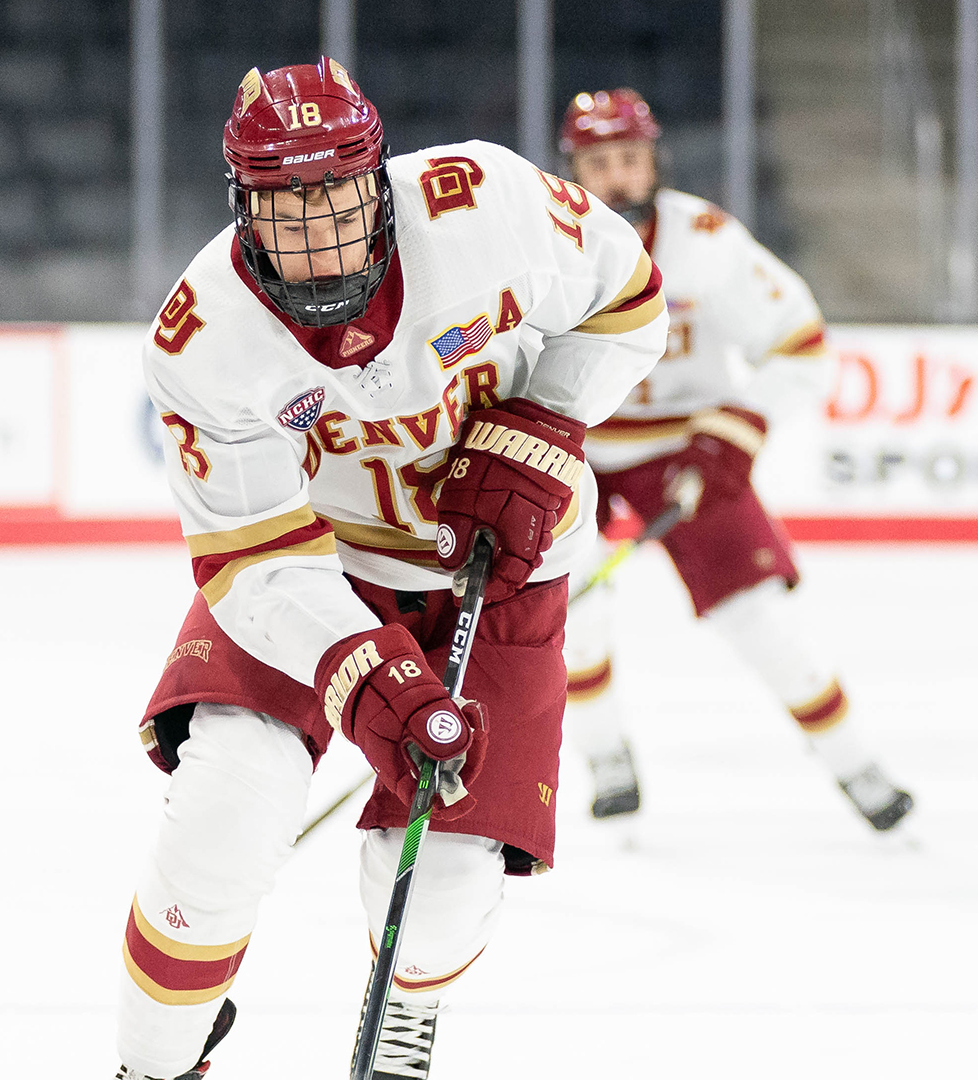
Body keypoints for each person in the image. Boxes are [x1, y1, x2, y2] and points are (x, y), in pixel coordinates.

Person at [116, 59, 665, 1079]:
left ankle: (406, 1032)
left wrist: (545, 421)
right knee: (225, 815)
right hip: (320, 572)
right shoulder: (204, 339)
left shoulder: (488, 205)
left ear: (379, 178)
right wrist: (362, 668)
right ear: (242, 207)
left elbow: (628, 298)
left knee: (444, 887)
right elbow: (252, 557)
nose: (319, 229)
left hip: (502, 571)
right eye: (286, 205)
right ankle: (151, 1062)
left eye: (335, 193)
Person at [556, 88, 913, 830]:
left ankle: (855, 764)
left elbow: (800, 346)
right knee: (568, 610)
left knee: (756, 619)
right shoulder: (542, 244)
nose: (618, 177)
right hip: (573, 446)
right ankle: (605, 756)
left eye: (630, 158)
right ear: (572, 169)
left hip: (686, 448)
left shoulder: (708, 242)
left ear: (657, 160)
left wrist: (735, 428)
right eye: (599, 162)